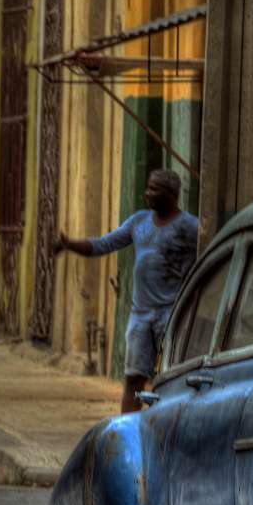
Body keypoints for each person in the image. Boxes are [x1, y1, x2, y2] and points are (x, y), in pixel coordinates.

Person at [55, 169, 200, 413]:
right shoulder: (139, 222)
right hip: (140, 316)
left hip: (172, 314)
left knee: (171, 380)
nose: (148, 193)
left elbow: (208, 250)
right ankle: (129, 425)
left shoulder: (189, 226)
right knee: (134, 380)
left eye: (155, 189)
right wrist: (70, 244)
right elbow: (104, 244)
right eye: (148, 187)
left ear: (172, 194)